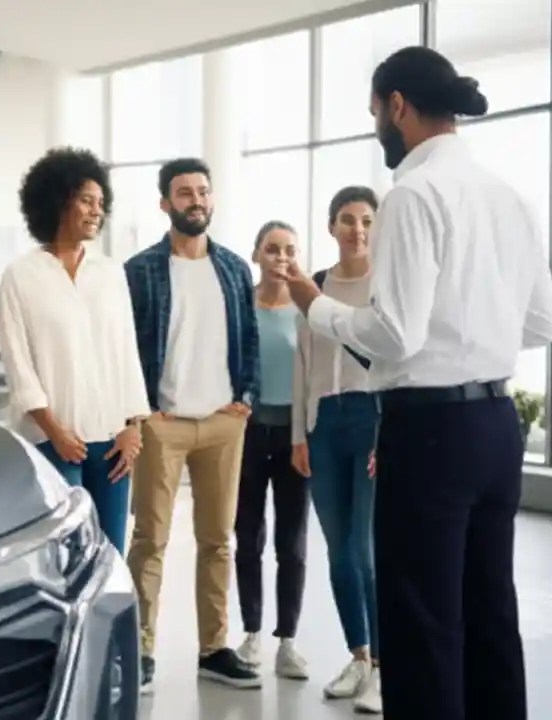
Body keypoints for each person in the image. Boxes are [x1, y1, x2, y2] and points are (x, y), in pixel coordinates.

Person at [277, 47, 552, 720]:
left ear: (397, 104)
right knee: (490, 609)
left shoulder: (412, 193)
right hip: (496, 427)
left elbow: (396, 334)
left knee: (422, 620)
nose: (377, 125)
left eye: (375, 111)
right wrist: (470, 334)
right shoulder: (507, 194)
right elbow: (541, 324)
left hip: (429, 430)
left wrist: (315, 305)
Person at [124, 158, 261, 692]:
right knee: (150, 538)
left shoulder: (231, 267)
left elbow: (248, 335)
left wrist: (246, 396)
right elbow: (128, 345)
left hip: (224, 421)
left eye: (204, 191)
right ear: (165, 203)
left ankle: (213, 648)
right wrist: (139, 410)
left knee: (218, 540)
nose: (197, 200)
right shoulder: (140, 270)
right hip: (163, 423)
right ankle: (140, 648)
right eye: (185, 193)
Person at [0, 147, 150, 555]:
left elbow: (126, 352)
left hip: (112, 438)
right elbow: (19, 364)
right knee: (66, 553)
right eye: (86, 199)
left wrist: (133, 425)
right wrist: (55, 431)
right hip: (53, 438)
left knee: (112, 551)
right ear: (57, 199)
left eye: (101, 203)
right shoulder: (21, 275)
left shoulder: (110, 272)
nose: (96, 211)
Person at [292, 186, 382, 713]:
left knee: (365, 548)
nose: (357, 230)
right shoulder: (317, 287)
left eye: (366, 220)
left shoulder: (384, 284)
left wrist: (390, 432)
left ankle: (387, 669)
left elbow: (396, 360)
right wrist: (299, 435)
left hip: (371, 419)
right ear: (331, 227)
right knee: (338, 548)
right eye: (347, 219)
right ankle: (359, 655)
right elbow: (304, 361)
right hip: (324, 423)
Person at [233, 220, 310, 682]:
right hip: (247, 434)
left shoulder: (307, 311)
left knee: (293, 544)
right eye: (272, 249)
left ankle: (288, 641)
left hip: (295, 438)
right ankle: (252, 632)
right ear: (257, 255)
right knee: (248, 537)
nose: (281, 258)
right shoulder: (242, 309)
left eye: (289, 250)